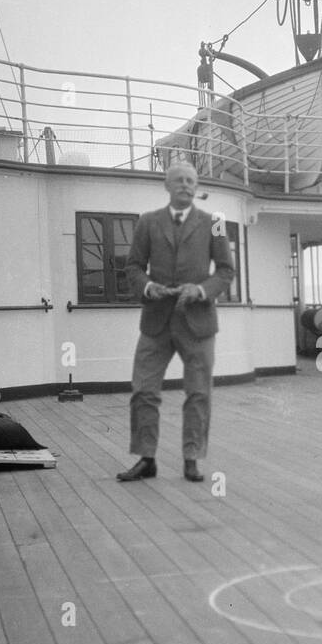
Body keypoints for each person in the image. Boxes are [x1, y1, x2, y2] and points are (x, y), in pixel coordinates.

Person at [117, 157, 234, 483]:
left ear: (197, 188)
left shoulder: (216, 222)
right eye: (179, 180)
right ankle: (146, 458)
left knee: (199, 393)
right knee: (143, 391)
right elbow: (133, 267)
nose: (185, 185)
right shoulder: (147, 222)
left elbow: (226, 272)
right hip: (155, 320)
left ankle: (192, 459)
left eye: (191, 181)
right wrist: (148, 286)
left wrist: (200, 290)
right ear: (167, 185)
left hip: (198, 322)